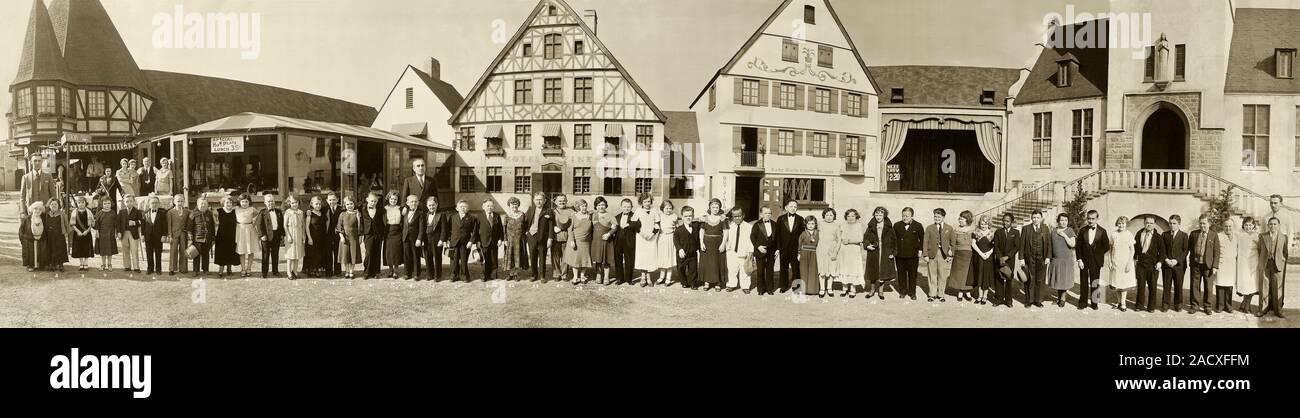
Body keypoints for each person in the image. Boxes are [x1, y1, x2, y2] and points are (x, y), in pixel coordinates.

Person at [1259, 195, 1290, 311]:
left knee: (1278, 281)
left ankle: (1278, 306)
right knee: (1266, 282)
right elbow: (1262, 235)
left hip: (1280, 254)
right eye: (1271, 203)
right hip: (1267, 255)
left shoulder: (1286, 217)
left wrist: (1285, 255)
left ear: (1281, 203)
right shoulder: (1265, 217)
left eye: (1276, 203)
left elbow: (1289, 236)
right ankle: (1267, 306)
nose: (1273, 205)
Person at [1074, 210, 1110, 310]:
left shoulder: (1102, 231)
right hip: (1084, 260)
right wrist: (1079, 260)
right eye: (1089, 218)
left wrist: (1098, 253)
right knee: (1083, 281)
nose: (1090, 221)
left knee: (1095, 281)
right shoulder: (1082, 230)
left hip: (1096, 260)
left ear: (1097, 219)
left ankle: (1094, 303)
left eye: (1093, 219)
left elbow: (1106, 246)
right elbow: (1078, 247)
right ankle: (1082, 302)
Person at [1020, 210, 1052, 308]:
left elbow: (1049, 244)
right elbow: (1022, 245)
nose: (1036, 219)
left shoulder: (1045, 228)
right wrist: (1021, 258)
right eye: (1034, 217)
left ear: (1041, 218)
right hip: (1029, 258)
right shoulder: (1026, 228)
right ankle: (1029, 300)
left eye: (1038, 217)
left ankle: (1038, 300)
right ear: (1031, 218)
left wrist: (1048, 257)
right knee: (1030, 278)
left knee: (1040, 279)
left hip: (1042, 258)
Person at [1134, 215, 1166, 312]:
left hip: (1153, 266)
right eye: (1147, 222)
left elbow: (1163, 251)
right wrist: (1135, 259)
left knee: (1152, 286)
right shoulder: (1139, 233)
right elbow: (1135, 248)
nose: (1149, 225)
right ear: (1144, 223)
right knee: (1141, 285)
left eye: (1151, 223)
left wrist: (1160, 262)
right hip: (1141, 265)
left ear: (1154, 224)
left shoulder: (1158, 237)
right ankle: (1139, 305)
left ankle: (1151, 307)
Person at [1187, 215, 1218, 315]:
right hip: (1196, 264)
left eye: (1204, 223)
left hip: (1208, 265)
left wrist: (1215, 266)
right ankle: (1194, 305)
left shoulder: (1213, 235)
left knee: (1208, 287)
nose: (1202, 225)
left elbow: (1216, 252)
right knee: (1194, 285)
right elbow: (1189, 248)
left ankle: (1207, 306)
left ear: (1208, 224)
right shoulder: (1194, 234)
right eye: (1200, 223)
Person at [1258, 217, 1288, 318]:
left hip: (1278, 265)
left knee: (1278, 288)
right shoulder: (1262, 236)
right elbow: (1259, 250)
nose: (1272, 226)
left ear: (1278, 226)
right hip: (1266, 263)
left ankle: (1278, 310)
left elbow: (1285, 252)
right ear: (1268, 225)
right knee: (1264, 286)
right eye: (1270, 224)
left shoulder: (1284, 237)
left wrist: (1282, 259)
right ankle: (1263, 309)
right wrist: (1263, 259)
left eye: (1275, 224)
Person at [864, 207, 896, 299]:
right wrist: (867, 245)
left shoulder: (889, 226)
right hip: (874, 251)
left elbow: (894, 240)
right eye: (876, 215)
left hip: (885, 251)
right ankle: (872, 290)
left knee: (883, 271)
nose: (878, 217)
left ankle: (881, 291)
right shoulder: (871, 225)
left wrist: (893, 252)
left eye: (880, 215)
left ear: (884, 215)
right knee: (873, 270)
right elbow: (865, 237)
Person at [924, 208, 955, 302]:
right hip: (932, 253)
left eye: (939, 216)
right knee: (932, 274)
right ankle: (932, 294)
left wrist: (951, 254)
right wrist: (925, 255)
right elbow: (925, 242)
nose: (936, 218)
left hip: (944, 254)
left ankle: (941, 294)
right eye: (935, 216)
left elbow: (953, 242)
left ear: (943, 217)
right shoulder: (929, 228)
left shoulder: (949, 228)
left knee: (942, 275)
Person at [1160, 214, 1190, 312]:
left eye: (1174, 223)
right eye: (1170, 223)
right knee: (1166, 285)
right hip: (1167, 264)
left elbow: (1185, 250)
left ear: (1179, 224)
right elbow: (1162, 249)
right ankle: (1165, 304)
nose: (1172, 225)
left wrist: (1176, 260)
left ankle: (1178, 304)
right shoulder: (1164, 235)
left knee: (1178, 285)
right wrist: (1166, 259)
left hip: (1179, 265)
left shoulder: (1184, 235)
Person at [774, 200, 805, 293]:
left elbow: (802, 234)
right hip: (784, 248)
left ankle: (796, 287)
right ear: (786, 208)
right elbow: (778, 235)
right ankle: (783, 286)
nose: (793, 208)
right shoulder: (780, 219)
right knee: (783, 267)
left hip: (796, 248)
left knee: (796, 268)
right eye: (791, 206)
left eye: (795, 207)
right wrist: (778, 248)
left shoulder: (800, 219)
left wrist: (801, 248)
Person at [523, 192, 555, 282]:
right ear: (533, 200)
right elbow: (524, 221)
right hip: (531, 236)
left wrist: (550, 238)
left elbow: (551, 226)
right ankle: (534, 274)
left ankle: (542, 276)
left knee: (542, 256)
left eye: (541, 199)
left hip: (543, 237)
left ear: (544, 201)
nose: (539, 201)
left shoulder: (548, 211)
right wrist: (526, 232)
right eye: (537, 199)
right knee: (532, 256)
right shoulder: (530, 210)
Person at [893, 207, 924, 300]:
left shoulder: (918, 225)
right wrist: (894, 251)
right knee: (901, 274)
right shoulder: (897, 225)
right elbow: (893, 239)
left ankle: (912, 292)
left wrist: (920, 250)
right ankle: (902, 291)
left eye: (907, 216)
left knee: (912, 274)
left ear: (912, 216)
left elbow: (922, 239)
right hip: (900, 254)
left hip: (913, 255)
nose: (905, 217)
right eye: (903, 216)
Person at [1047, 213, 1077, 307]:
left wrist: (1064, 235)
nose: (1063, 222)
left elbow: (1072, 244)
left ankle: (1063, 299)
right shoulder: (1053, 231)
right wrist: (1049, 257)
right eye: (1062, 220)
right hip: (1056, 259)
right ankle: (1059, 298)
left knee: (1064, 279)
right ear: (1058, 221)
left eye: (1065, 220)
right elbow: (1050, 245)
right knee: (1058, 279)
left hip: (1066, 260)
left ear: (1068, 221)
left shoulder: (1070, 230)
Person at [1108, 216, 1137, 311]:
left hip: (1125, 262)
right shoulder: (1113, 234)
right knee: (1117, 283)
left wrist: (1129, 262)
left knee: (1124, 284)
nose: (1121, 225)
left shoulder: (1129, 235)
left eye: (1123, 223)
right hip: (1116, 261)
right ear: (1117, 224)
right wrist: (1110, 261)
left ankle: (1123, 303)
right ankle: (1118, 301)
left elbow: (1132, 250)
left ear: (1126, 224)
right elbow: (1111, 249)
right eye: (1119, 223)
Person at [698, 199, 728, 291]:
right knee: (707, 263)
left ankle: (717, 283)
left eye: (717, 207)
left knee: (717, 263)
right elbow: (702, 231)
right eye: (713, 207)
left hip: (718, 243)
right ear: (710, 208)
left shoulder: (723, 219)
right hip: (707, 243)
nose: (715, 209)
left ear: (719, 208)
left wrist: (723, 244)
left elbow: (726, 232)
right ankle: (706, 282)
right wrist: (701, 242)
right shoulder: (705, 218)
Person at [722, 207, 754, 293]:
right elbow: (726, 238)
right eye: (735, 216)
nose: (737, 218)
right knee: (732, 269)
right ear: (732, 217)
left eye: (739, 216)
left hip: (744, 252)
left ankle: (745, 286)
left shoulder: (749, 227)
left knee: (744, 270)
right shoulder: (729, 227)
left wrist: (750, 252)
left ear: (743, 215)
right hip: (732, 252)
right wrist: (727, 249)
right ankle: (731, 284)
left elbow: (752, 240)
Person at [993, 213, 1021, 307]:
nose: (1005, 223)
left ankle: (1009, 301)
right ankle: (998, 299)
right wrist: (1000, 257)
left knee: (1009, 279)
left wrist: (1008, 256)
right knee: (999, 278)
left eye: (1007, 221)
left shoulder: (1016, 232)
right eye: (1004, 220)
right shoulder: (998, 232)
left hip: (1010, 260)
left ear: (1012, 222)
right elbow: (996, 246)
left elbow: (1017, 246)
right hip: (999, 259)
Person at [446, 199, 478, 282]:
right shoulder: (452, 217)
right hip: (454, 242)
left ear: (468, 208)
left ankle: (464, 275)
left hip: (465, 243)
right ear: (457, 208)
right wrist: (448, 240)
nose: (463, 208)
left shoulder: (472, 218)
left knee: (464, 260)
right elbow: (448, 230)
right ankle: (454, 275)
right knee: (454, 260)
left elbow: (474, 231)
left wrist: (471, 241)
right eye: (461, 207)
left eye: (465, 207)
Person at [1235, 217, 1261, 314]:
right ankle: (1245, 304)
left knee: (1252, 285)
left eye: (1250, 225)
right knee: (1246, 285)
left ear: (1254, 225)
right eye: (1246, 225)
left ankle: (1246, 305)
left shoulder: (1257, 236)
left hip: (1253, 263)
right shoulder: (1239, 235)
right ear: (1243, 225)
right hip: (1242, 264)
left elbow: (1261, 248)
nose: (1248, 227)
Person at [840, 209, 868, 298]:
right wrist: (842, 240)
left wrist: (849, 241)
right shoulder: (842, 226)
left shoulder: (858, 226)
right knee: (844, 267)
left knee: (853, 268)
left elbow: (860, 239)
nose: (850, 218)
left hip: (854, 250)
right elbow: (840, 237)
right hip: (844, 250)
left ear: (856, 217)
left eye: (853, 216)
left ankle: (852, 289)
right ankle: (844, 288)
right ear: (846, 217)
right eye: (848, 216)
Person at [750, 206, 778, 295]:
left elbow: (778, 238)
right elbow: (752, 237)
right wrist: (758, 247)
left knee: (770, 270)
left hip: (771, 251)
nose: (768, 215)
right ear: (761, 214)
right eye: (766, 213)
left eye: (769, 213)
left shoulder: (774, 224)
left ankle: (770, 289)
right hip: (760, 250)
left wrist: (777, 249)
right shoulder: (757, 224)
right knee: (760, 271)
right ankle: (761, 289)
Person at [632, 194, 659, 286]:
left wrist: (652, 234)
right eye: (645, 201)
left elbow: (657, 224)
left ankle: (649, 277)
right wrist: (641, 233)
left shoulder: (654, 211)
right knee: (642, 257)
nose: (647, 203)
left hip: (651, 237)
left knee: (650, 257)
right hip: (641, 237)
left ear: (651, 201)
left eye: (648, 201)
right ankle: (643, 277)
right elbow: (633, 224)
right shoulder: (638, 211)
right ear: (641, 202)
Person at [563, 199, 592, 284]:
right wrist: (572, 240)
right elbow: (570, 229)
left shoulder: (589, 215)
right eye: (582, 206)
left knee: (584, 259)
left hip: (586, 242)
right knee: (575, 260)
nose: (584, 208)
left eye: (585, 206)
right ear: (578, 207)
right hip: (576, 241)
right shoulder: (574, 216)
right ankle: (575, 277)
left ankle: (582, 276)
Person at [950, 211, 976, 302]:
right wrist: (951, 253)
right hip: (958, 254)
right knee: (959, 275)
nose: (959, 220)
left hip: (969, 255)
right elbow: (952, 243)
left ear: (967, 220)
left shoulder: (973, 230)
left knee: (967, 275)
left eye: (962, 219)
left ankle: (968, 292)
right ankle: (960, 292)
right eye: (959, 218)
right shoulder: (956, 230)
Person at [672, 205, 701, 289]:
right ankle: (684, 282)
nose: (688, 218)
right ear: (682, 217)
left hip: (692, 253)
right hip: (682, 253)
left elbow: (705, 220)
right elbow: (676, 240)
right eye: (686, 216)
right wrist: (679, 249)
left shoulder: (696, 226)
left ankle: (693, 283)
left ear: (693, 216)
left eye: (690, 216)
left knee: (693, 269)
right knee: (681, 268)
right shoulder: (678, 229)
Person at [970, 216, 997, 305]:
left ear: (988, 224)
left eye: (985, 224)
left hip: (989, 257)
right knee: (980, 275)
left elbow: (995, 246)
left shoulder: (992, 233)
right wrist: (981, 254)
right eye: (982, 224)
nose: (983, 225)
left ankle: (985, 296)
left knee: (986, 276)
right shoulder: (976, 232)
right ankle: (979, 296)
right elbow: (973, 244)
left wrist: (988, 253)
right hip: (979, 257)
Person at [233, 194, 261, 278]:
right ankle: (243, 268)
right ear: (239, 202)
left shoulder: (252, 209)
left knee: (250, 249)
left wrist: (254, 223)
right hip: (240, 229)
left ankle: (249, 268)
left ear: (249, 202)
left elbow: (259, 214)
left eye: (246, 201)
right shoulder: (236, 209)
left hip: (250, 230)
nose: (244, 203)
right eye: (242, 201)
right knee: (241, 250)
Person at [1214, 218, 1238, 313]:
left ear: (1233, 227)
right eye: (1226, 226)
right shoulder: (1218, 236)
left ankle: (1228, 306)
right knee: (1220, 285)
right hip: (1221, 264)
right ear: (1223, 227)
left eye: (1230, 226)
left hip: (1231, 265)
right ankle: (1220, 305)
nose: (1228, 228)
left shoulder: (1236, 237)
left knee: (1229, 286)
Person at [815, 208, 841, 297]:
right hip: (821, 249)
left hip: (832, 249)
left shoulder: (836, 226)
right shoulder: (819, 224)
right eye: (827, 215)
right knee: (822, 268)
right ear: (823, 216)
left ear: (834, 216)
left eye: (831, 215)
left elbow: (839, 240)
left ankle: (829, 288)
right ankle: (822, 288)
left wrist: (835, 251)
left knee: (831, 268)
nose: (829, 217)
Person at [359, 193, 386, 280]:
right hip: (368, 234)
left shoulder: (380, 209)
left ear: (377, 202)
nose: (373, 203)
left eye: (375, 201)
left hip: (378, 233)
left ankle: (376, 272)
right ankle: (367, 272)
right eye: (371, 201)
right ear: (367, 200)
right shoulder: (362, 208)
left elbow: (383, 221)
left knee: (377, 253)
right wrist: (362, 234)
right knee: (369, 252)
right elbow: (361, 222)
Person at [336, 196, 362, 279]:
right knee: (345, 255)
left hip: (354, 238)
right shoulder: (342, 214)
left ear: (354, 204)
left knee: (353, 255)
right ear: (345, 205)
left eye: (351, 204)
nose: (349, 206)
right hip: (345, 238)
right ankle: (346, 271)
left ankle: (351, 271)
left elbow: (360, 227)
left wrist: (360, 237)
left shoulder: (357, 214)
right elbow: (339, 227)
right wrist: (341, 236)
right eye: (347, 204)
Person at [588, 197, 613, 284]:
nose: (600, 207)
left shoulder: (610, 215)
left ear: (606, 205)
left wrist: (609, 233)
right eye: (598, 205)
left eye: (602, 204)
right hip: (596, 241)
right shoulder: (593, 215)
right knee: (598, 260)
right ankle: (598, 275)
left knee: (606, 260)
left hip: (607, 241)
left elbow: (615, 226)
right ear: (595, 206)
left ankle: (606, 277)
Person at [140, 196, 167, 275]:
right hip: (148, 236)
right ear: (149, 204)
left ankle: (158, 269)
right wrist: (142, 235)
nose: (154, 204)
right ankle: (150, 269)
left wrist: (164, 235)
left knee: (158, 253)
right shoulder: (145, 213)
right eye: (152, 203)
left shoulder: (162, 214)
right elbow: (143, 225)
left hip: (158, 237)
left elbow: (165, 225)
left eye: (156, 203)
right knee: (149, 253)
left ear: (158, 204)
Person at [422, 196, 448, 281]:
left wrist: (442, 240)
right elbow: (423, 228)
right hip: (427, 239)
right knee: (427, 257)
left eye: (433, 205)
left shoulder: (441, 215)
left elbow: (444, 229)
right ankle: (429, 274)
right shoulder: (425, 215)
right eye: (429, 205)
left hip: (436, 239)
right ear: (427, 206)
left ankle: (437, 275)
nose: (431, 207)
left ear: (437, 205)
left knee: (437, 257)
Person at [399, 195, 424, 281]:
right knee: (406, 256)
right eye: (411, 202)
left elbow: (421, 227)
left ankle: (417, 274)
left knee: (416, 255)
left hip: (415, 238)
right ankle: (407, 273)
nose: (413, 203)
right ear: (407, 203)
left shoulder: (420, 213)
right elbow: (402, 224)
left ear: (418, 203)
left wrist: (419, 238)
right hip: (405, 237)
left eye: (415, 201)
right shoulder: (405, 212)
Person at [258, 194, 284, 278]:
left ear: (274, 202)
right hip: (266, 236)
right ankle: (264, 272)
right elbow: (259, 225)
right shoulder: (262, 212)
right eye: (268, 201)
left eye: (272, 201)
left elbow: (281, 224)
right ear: (265, 202)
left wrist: (282, 235)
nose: (271, 203)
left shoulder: (279, 211)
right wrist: (262, 235)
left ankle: (275, 271)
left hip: (276, 235)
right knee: (265, 255)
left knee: (275, 254)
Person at [477, 199, 504, 282]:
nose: (489, 208)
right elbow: (476, 230)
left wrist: (500, 239)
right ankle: (484, 275)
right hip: (483, 241)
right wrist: (477, 241)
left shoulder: (497, 216)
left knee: (493, 259)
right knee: (484, 259)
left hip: (494, 242)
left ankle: (493, 275)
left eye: (491, 206)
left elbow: (500, 229)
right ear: (483, 207)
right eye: (488, 206)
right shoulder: (479, 216)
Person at [187, 198, 215, 275]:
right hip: (197, 239)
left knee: (206, 254)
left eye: (205, 204)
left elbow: (212, 227)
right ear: (197, 204)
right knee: (196, 255)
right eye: (201, 204)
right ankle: (195, 270)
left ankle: (205, 269)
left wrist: (213, 238)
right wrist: (190, 239)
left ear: (207, 205)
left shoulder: (209, 214)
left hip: (207, 239)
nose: (203, 205)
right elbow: (189, 227)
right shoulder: (193, 214)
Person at [654, 200, 679, 286]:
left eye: (670, 208)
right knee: (663, 258)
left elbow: (677, 228)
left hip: (671, 238)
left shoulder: (674, 216)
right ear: (662, 209)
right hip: (662, 238)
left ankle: (668, 278)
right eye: (666, 208)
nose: (668, 210)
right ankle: (661, 277)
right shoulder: (660, 215)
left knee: (669, 258)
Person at [213, 196, 239, 277]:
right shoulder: (218, 211)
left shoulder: (235, 212)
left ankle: (229, 269)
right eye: (227, 202)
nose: (229, 204)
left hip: (232, 235)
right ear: (223, 203)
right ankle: (220, 271)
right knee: (221, 253)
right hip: (221, 236)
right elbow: (215, 221)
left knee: (231, 252)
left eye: (231, 202)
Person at [43, 197, 71, 272]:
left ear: (58, 205)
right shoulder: (47, 215)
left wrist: (67, 233)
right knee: (51, 249)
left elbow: (66, 224)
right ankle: (52, 264)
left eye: (55, 204)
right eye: (52, 204)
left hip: (59, 235)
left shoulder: (62, 214)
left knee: (60, 249)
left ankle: (60, 264)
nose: (54, 206)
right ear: (49, 205)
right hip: (50, 236)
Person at [118, 194, 143, 273]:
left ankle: (136, 267)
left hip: (133, 234)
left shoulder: (137, 211)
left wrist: (135, 223)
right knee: (125, 250)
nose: (129, 203)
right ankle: (127, 266)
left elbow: (141, 221)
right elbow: (118, 223)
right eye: (127, 201)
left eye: (131, 201)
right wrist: (118, 232)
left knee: (134, 250)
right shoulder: (122, 212)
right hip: (124, 233)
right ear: (124, 203)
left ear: (134, 202)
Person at [551, 195, 575, 281]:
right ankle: (557, 273)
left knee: (566, 256)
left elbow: (573, 225)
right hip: (556, 237)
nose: (562, 202)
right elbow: (550, 223)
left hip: (567, 236)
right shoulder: (553, 211)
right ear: (556, 202)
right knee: (555, 256)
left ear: (566, 201)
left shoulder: (571, 211)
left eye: (564, 200)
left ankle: (564, 274)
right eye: (560, 201)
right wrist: (553, 227)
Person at [381, 192, 404, 279]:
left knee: (397, 251)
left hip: (397, 231)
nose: (393, 201)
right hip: (388, 231)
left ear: (397, 200)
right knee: (388, 251)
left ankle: (396, 271)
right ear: (388, 199)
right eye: (391, 199)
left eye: (395, 199)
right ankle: (390, 270)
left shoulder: (400, 209)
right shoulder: (385, 209)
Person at [305, 195, 329, 278]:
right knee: (312, 254)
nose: (318, 206)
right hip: (312, 237)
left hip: (321, 238)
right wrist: (309, 238)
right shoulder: (309, 214)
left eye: (319, 204)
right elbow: (307, 227)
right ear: (312, 204)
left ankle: (318, 269)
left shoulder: (322, 213)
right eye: (316, 204)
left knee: (320, 254)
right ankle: (312, 270)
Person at [69, 196, 96, 271]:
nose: (81, 204)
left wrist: (87, 231)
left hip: (86, 233)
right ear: (76, 204)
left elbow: (91, 223)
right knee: (79, 249)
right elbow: (72, 224)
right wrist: (78, 231)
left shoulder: (89, 212)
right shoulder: (74, 212)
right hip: (78, 233)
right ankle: (81, 263)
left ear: (85, 203)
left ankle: (86, 263)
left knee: (86, 248)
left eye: (82, 202)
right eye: (79, 203)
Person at [282, 196, 305, 280]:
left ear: (298, 203)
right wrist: (288, 235)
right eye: (292, 203)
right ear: (289, 204)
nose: (294, 204)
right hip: (291, 234)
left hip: (298, 234)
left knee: (297, 254)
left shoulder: (301, 212)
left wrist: (303, 235)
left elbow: (303, 225)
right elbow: (284, 225)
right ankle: (288, 271)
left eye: (296, 202)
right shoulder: (287, 212)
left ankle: (295, 270)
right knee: (290, 255)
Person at [166, 195, 190, 275]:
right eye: (178, 201)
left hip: (183, 233)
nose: (180, 203)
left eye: (181, 201)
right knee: (173, 250)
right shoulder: (170, 212)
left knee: (183, 250)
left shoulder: (187, 211)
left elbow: (188, 223)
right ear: (174, 202)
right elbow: (169, 224)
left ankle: (183, 268)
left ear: (184, 202)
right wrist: (170, 235)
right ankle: (172, 268)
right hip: (174, 234)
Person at [94, 197, 119, 271]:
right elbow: (97, 224)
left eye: (108, 203)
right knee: (103, 250)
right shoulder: (99, 213)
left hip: (111, 234)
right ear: (102, 204)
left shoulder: (113, 213)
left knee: (110, 250)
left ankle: (109, 264)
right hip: (102, 234)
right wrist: (97, 232)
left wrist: (115, 232)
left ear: (111, 204)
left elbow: (116, 224)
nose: (107, 205)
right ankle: (103, 264)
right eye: (105, 204)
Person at [20, 202, 46, 271]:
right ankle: (30, 265)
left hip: (40, 239)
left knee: (40, 252)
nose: (37, 211)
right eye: (35, 209)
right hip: (30, 240)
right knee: (30, 253)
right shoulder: (27, 219)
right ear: (32, 209)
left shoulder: (43, 219)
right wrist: (23, 241)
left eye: (40, 209)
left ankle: (40, 265)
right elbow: (21, 231)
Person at [799, 215, 820, 296]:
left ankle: (812, 290)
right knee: (804, 271)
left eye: (812, 224)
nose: (810, 225)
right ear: (806, 224)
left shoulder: (817, 233)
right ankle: (804, 289)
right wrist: (799, 253)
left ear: (815, 224)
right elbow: (799, 244)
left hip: (814, 253)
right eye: (809, 224)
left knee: (813, 271)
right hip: (804, 253)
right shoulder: (803, 233)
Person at [324, 193, 343, 277]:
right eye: (330, 200)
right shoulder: (324, 209)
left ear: (337, 200)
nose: (332, 201)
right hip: (327, 235)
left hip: (338, 235)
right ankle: (328, 271)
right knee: (328, 253)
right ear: (327, 200)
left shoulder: (341, 209)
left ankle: (337, 271)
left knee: (337, 252)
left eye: (334, 199)